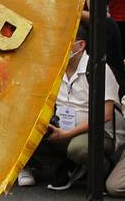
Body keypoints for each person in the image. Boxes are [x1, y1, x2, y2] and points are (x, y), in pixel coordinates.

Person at [21, 21, 118, 190]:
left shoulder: (98, 69)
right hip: (63, 126)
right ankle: (66, 167)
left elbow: (106, 115)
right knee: (25, 130)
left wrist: (66, 134)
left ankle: (103, 170)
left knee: (79, 149)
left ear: (80, 45)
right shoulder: (55, 70)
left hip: (97, 133)